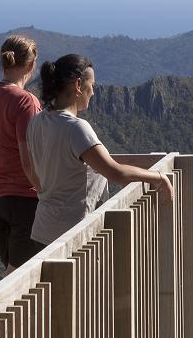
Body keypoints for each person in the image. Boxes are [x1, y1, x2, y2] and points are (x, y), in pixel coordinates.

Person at [27, 54, 173, 245]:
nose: (93, 92)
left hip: (41, 230)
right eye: (92, 85)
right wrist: (160, 178)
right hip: (73, 236)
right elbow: (116, 173)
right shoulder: (75, 128)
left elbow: (32, 172)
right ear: (78, 85)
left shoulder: (36, 122)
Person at [0, 34, 43, 269]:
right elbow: (28, 157)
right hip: (25, 200)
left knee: (13, 275)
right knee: (22, 284)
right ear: (31, 66)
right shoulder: (26, 102)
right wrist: (45, 191)